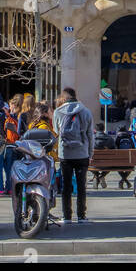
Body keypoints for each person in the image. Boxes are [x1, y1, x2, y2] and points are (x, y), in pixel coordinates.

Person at [53, 87, 94, 224]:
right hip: (82, 153)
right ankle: (81, 216)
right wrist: (90, 153)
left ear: (64, 98)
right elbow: (90, 135)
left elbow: (56, 131)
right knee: (81, 186)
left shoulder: (58, 112)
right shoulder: (86, 111)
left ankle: (66, 216)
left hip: (65, 154)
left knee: (66, 186)